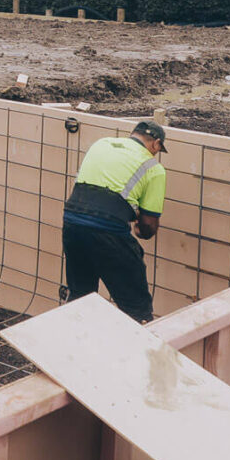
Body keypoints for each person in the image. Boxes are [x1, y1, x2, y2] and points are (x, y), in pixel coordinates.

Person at [61, 121, 169, 321]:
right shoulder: (154, 167)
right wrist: (139, 228)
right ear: (156, 144)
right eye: (158, 149)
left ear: (132, 134)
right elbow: (147, 227)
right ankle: (136, 344)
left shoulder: (101, 143)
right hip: (107, 230)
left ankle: (76, 345)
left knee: (80, 298)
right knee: (136, 307)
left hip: (72, 222)